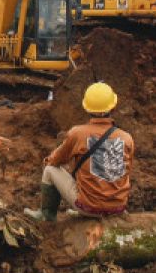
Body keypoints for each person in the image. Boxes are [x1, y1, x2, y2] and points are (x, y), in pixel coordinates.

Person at [24, 82, 134, 221]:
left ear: (86, 107)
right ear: (113, 106)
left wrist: (48, 161)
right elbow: (126, 171)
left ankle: (47, 215)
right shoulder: (127, 138)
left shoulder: (78, 133)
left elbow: (55, 160)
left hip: (89, 208)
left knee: (50, 169)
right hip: (117, 208)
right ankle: (108, 206)